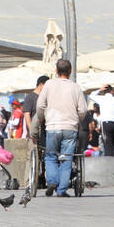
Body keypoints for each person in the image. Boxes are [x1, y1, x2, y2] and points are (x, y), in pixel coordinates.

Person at [36, 59, 88, 197]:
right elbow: (83, 109)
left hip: (52, 126)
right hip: (70, 127)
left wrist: (42, 117)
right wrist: (77, 120)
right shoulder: (75, 87)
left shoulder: (49, 84)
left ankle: (52, 180)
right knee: (66, 158)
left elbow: (40, 105)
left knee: (51, 156)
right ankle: (61, 189)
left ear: (56, 71)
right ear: (70, 71)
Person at [89, 84, 114, 156]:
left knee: (107, 144)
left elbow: (91, 95)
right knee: (113, 143)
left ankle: (109, 161)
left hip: (106, 124)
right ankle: (113, 158)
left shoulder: (101, 99)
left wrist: (99, 90)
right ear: (112, 91)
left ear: (104, 92)